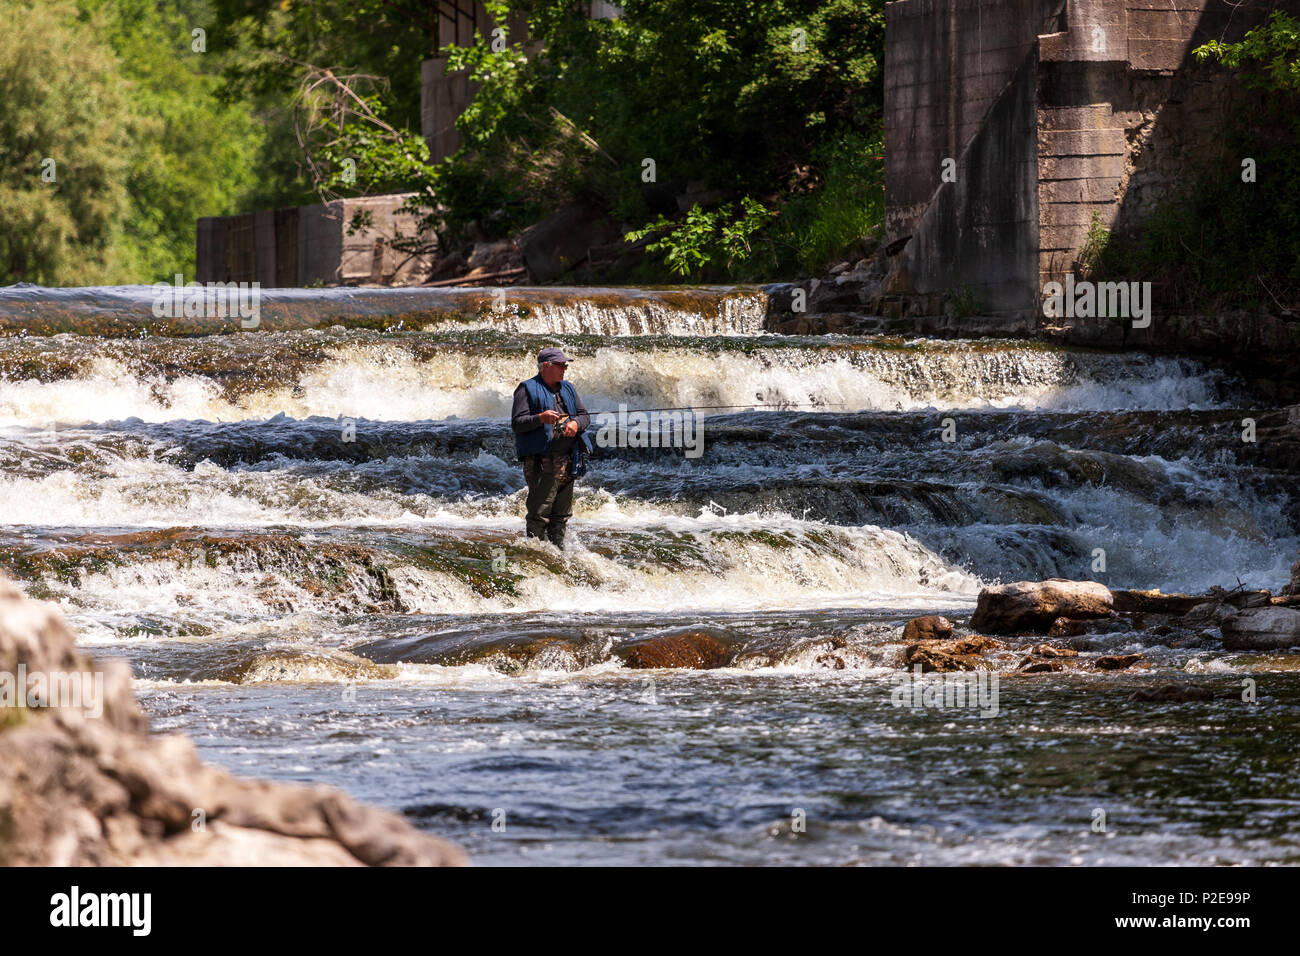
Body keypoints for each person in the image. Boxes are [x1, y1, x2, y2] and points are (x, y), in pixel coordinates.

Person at [511, 347, 592, 548]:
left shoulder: (568, 388)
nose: (565, 369)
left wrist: (575, 424)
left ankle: (558, 552)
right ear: (546, 366)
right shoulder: (526, 388)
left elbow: (584, 416)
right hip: (541, 461)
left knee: (561, 515)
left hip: (567, 459)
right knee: (539, 513)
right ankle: (536, 553)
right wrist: (540, 418)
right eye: (561, 365)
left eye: (565, 365)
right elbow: (517, 423)